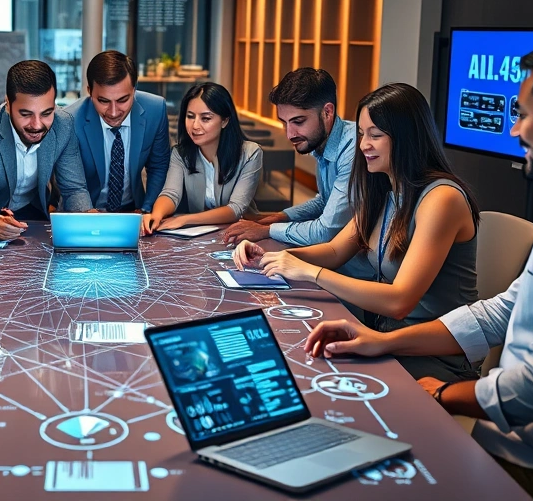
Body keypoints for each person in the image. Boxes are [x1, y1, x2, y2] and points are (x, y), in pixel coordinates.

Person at [303, 34, 533, 501]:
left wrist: (442, 394)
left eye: (524, 115)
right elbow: (498, 313)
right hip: (518, 441)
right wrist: (383, 341)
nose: (514, 131)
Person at [234, 83, 481, 382]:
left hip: (432, 355)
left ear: (406, 137)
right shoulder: (384, 187)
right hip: (383, 336)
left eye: (375, 135)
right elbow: (336, 251)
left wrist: (309, 273)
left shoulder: (442, 199)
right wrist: (275, 256)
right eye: (362, 134)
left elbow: (400, 301)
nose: (363, 145)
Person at [222, 68, 372, 279]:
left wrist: (267, 230)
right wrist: (279, 217)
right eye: (284, 122)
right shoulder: (324, 142)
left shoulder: (352, 147)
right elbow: (324, 201)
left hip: (359, 274)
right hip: (334, 265)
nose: (289, 134)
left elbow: (325, 231)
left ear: (327, 113)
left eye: (298, 122)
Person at [0, 60, 92, 239]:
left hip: (34, 215)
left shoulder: (63, 125)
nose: (37, 125)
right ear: (7, 103)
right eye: (26, 114)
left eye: (46, 113)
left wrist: (89, 218)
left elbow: (74, 189)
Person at [141, 82, 262, 234]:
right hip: (201, 235)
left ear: (224, 121)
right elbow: (171, 194)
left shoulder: (250, 153)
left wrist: (185, 219)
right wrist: (156, 215)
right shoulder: (180, 154)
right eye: (190, 117)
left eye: (205, 118)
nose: (195, 125)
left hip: (241, 233)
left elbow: (235, 209)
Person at [56, 50, 170, 212]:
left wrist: (146, 210)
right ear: (89, 92)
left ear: (134, 89)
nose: (114, 112)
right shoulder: (69, 120)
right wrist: (88, 215)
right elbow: (72, 185)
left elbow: (159, 166)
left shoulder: (155, 110)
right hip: (84, 211)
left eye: (123, 100)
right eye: (103, 101)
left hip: (133, 209)